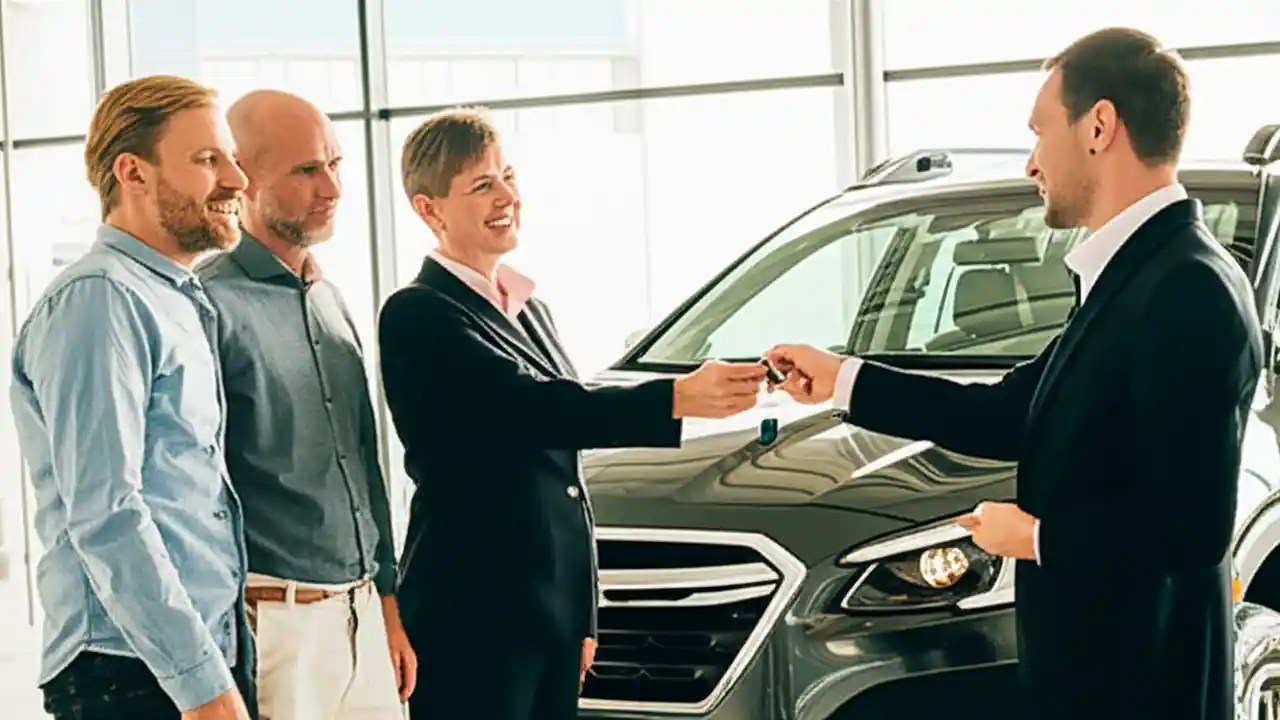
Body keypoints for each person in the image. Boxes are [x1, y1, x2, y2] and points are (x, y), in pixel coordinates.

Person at [766, 27, 1261, 720]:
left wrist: (1031, 537)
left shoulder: (1186, 287)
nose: (1032, 163)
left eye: (1038, 132)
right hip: (1097, 677)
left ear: (1099, 127)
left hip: (1139, 687)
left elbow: (1191, 528)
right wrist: (843, 378)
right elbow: (1007, 414)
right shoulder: (1136, 276)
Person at [379, 107, 767, 719]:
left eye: (507, 175)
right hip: (473, 614)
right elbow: (533, 411)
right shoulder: (418, 315)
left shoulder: (532, 309)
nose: (506, 194)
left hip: (548, 616)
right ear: (430, 211)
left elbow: (566, 476)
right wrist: (677, 397)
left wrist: (582, 612)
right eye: (482, 185)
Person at [9, 75, 255, 719]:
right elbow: (107, 513)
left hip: (188, 659)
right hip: (129, 673)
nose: (237, 179)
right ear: (132, 173)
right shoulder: (100, 299)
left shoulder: (171, 296)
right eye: (208, 160)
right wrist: (203, 687)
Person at [196, 89, 415, 719]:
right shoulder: (207, 306)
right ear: (245, 175)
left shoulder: (331, 299)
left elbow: (363, 463)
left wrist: (386, 607)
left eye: (336, 164)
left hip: (362, 616)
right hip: (273, 627)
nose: (333, 187)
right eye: (307, 169)